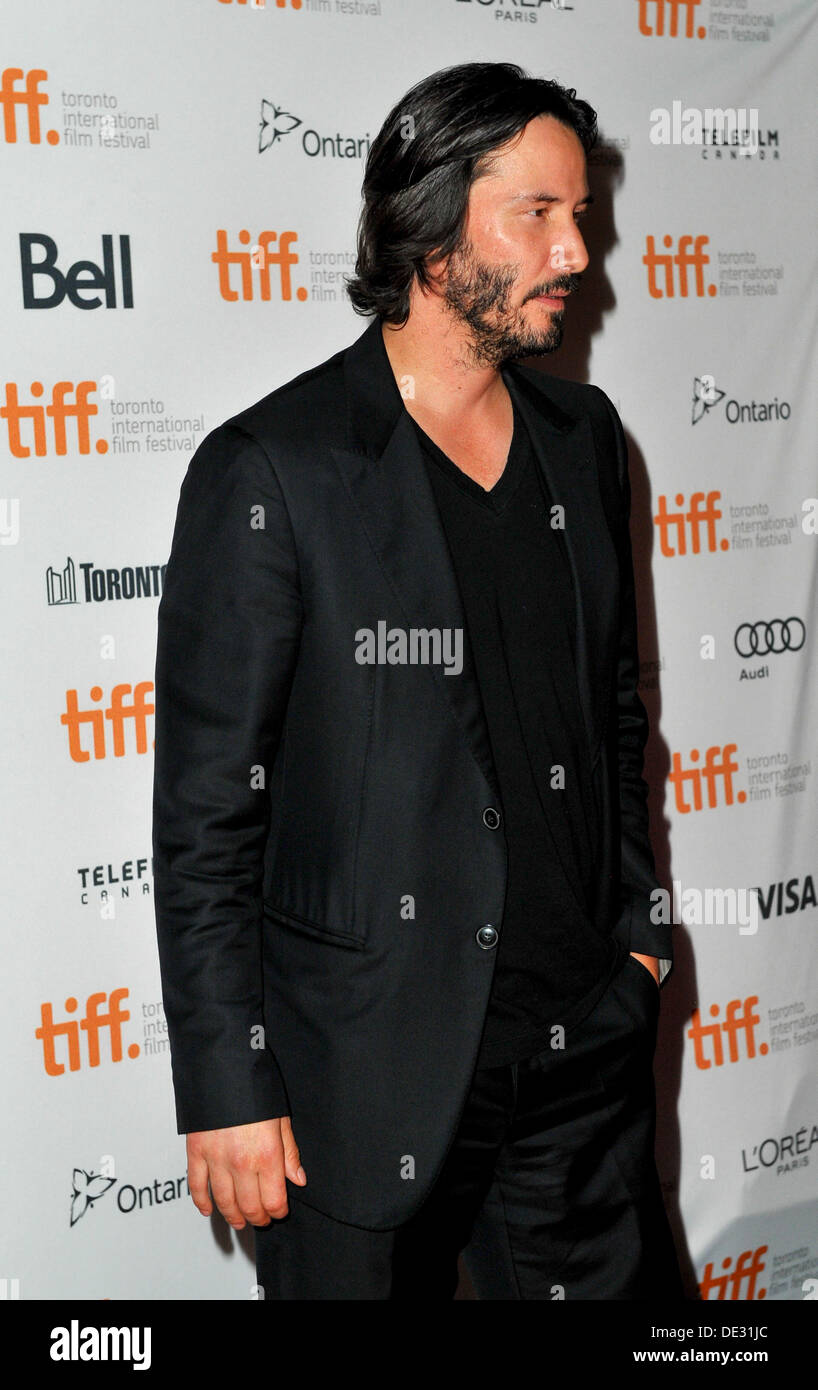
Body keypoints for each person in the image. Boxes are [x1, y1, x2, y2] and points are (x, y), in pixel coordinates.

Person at [152, 61, 684, 1300]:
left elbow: (613, 713)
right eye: (535, 215)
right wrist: (230, 1085)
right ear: (433, 233)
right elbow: (206, 816)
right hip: (365, 1077)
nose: (574, 253)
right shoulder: (276, 471)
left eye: (580, 216)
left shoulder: (584, 440)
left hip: (579, 1068)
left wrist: (639, 939)